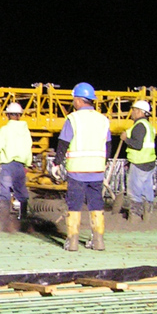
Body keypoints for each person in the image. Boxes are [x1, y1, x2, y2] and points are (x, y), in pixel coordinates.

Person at [54, 83, 112, 251]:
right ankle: (98, 241)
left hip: (77, 171)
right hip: (96, 171)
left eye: (74, 99)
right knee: (96, 204)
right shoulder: (103, 120)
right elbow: (108, 145)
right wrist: (104, 161)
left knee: (74, 205)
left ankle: (72, 242)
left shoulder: (73, 119)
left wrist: (56, 163)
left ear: (79, 100)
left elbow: (63, 142)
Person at [0, 102, 32, 233]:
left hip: (7, 165)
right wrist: (27, 164)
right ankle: (24, 219)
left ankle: (4, 220)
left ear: (8, 115)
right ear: (20, 115)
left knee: (5, 191)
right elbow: (28, 149)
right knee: (21, 192)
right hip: (20, 166)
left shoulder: (4, 130)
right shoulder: (26, 131)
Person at [121, 99, 156, 220]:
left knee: (134, 191)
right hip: (149, 162)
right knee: (147, 190)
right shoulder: (149, 126)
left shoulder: (139, 126)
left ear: (140, 112)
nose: (132, 112)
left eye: (134, 110)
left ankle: (134, 216)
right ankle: (147, 215)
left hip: (139, 162)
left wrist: (125, 139)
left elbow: (137, 145)